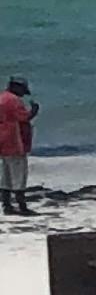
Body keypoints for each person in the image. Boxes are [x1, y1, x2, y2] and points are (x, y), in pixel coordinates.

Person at [0, 76, 32, 217]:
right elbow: (23, 118)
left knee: (5, 176)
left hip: (3, 142)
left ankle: (7, 206)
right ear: (16, 87)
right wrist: (34, 111)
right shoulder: (13, 100)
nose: (22, 94)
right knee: (19, 175)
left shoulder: (2, 98)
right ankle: (22, 206)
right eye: (22, 90)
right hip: (15, 142)